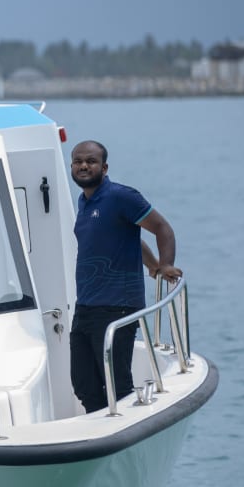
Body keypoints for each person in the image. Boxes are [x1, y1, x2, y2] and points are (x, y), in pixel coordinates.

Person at [69, 140, 181, 413]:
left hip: (117, 306)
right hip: (86, 307)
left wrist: (165, 264)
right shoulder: (84, 201)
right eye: (78, 161)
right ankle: (97, 431)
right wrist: (151, 263)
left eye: (91, 161)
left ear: (104, 168)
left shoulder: (121, 196)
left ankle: (122, 435)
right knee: (84, 384)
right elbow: (127, 237)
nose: (84, 165)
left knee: (118, 384)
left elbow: (162, 227)